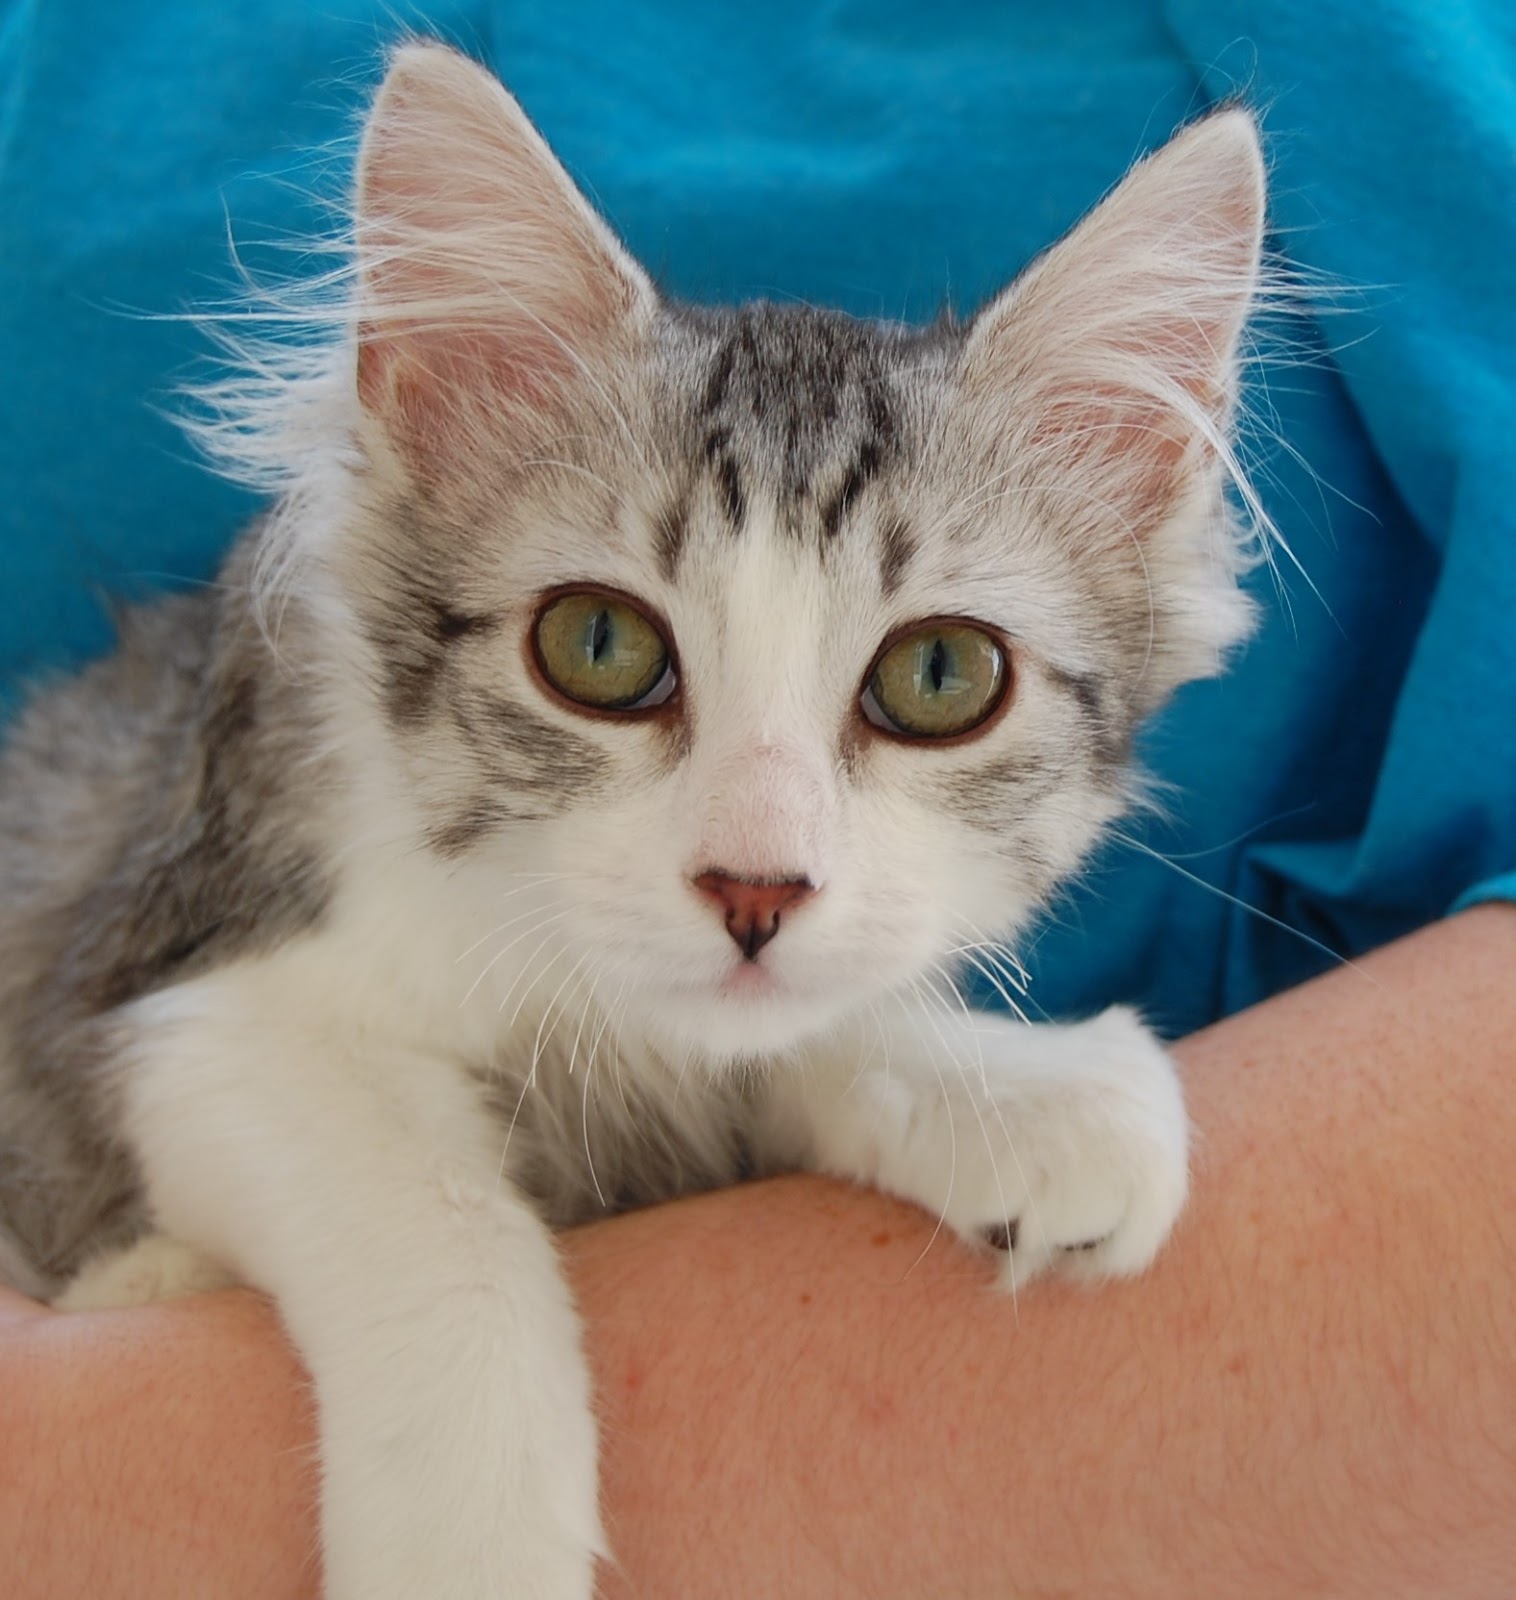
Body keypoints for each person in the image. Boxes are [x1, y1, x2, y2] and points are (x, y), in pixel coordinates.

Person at [1, 1, 1513, 1594]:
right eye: (605, 651)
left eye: (935, 680)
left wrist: (879, 1067)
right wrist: (443, 1382)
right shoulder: (329, 772)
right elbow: (226, 1043)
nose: (761, 861)